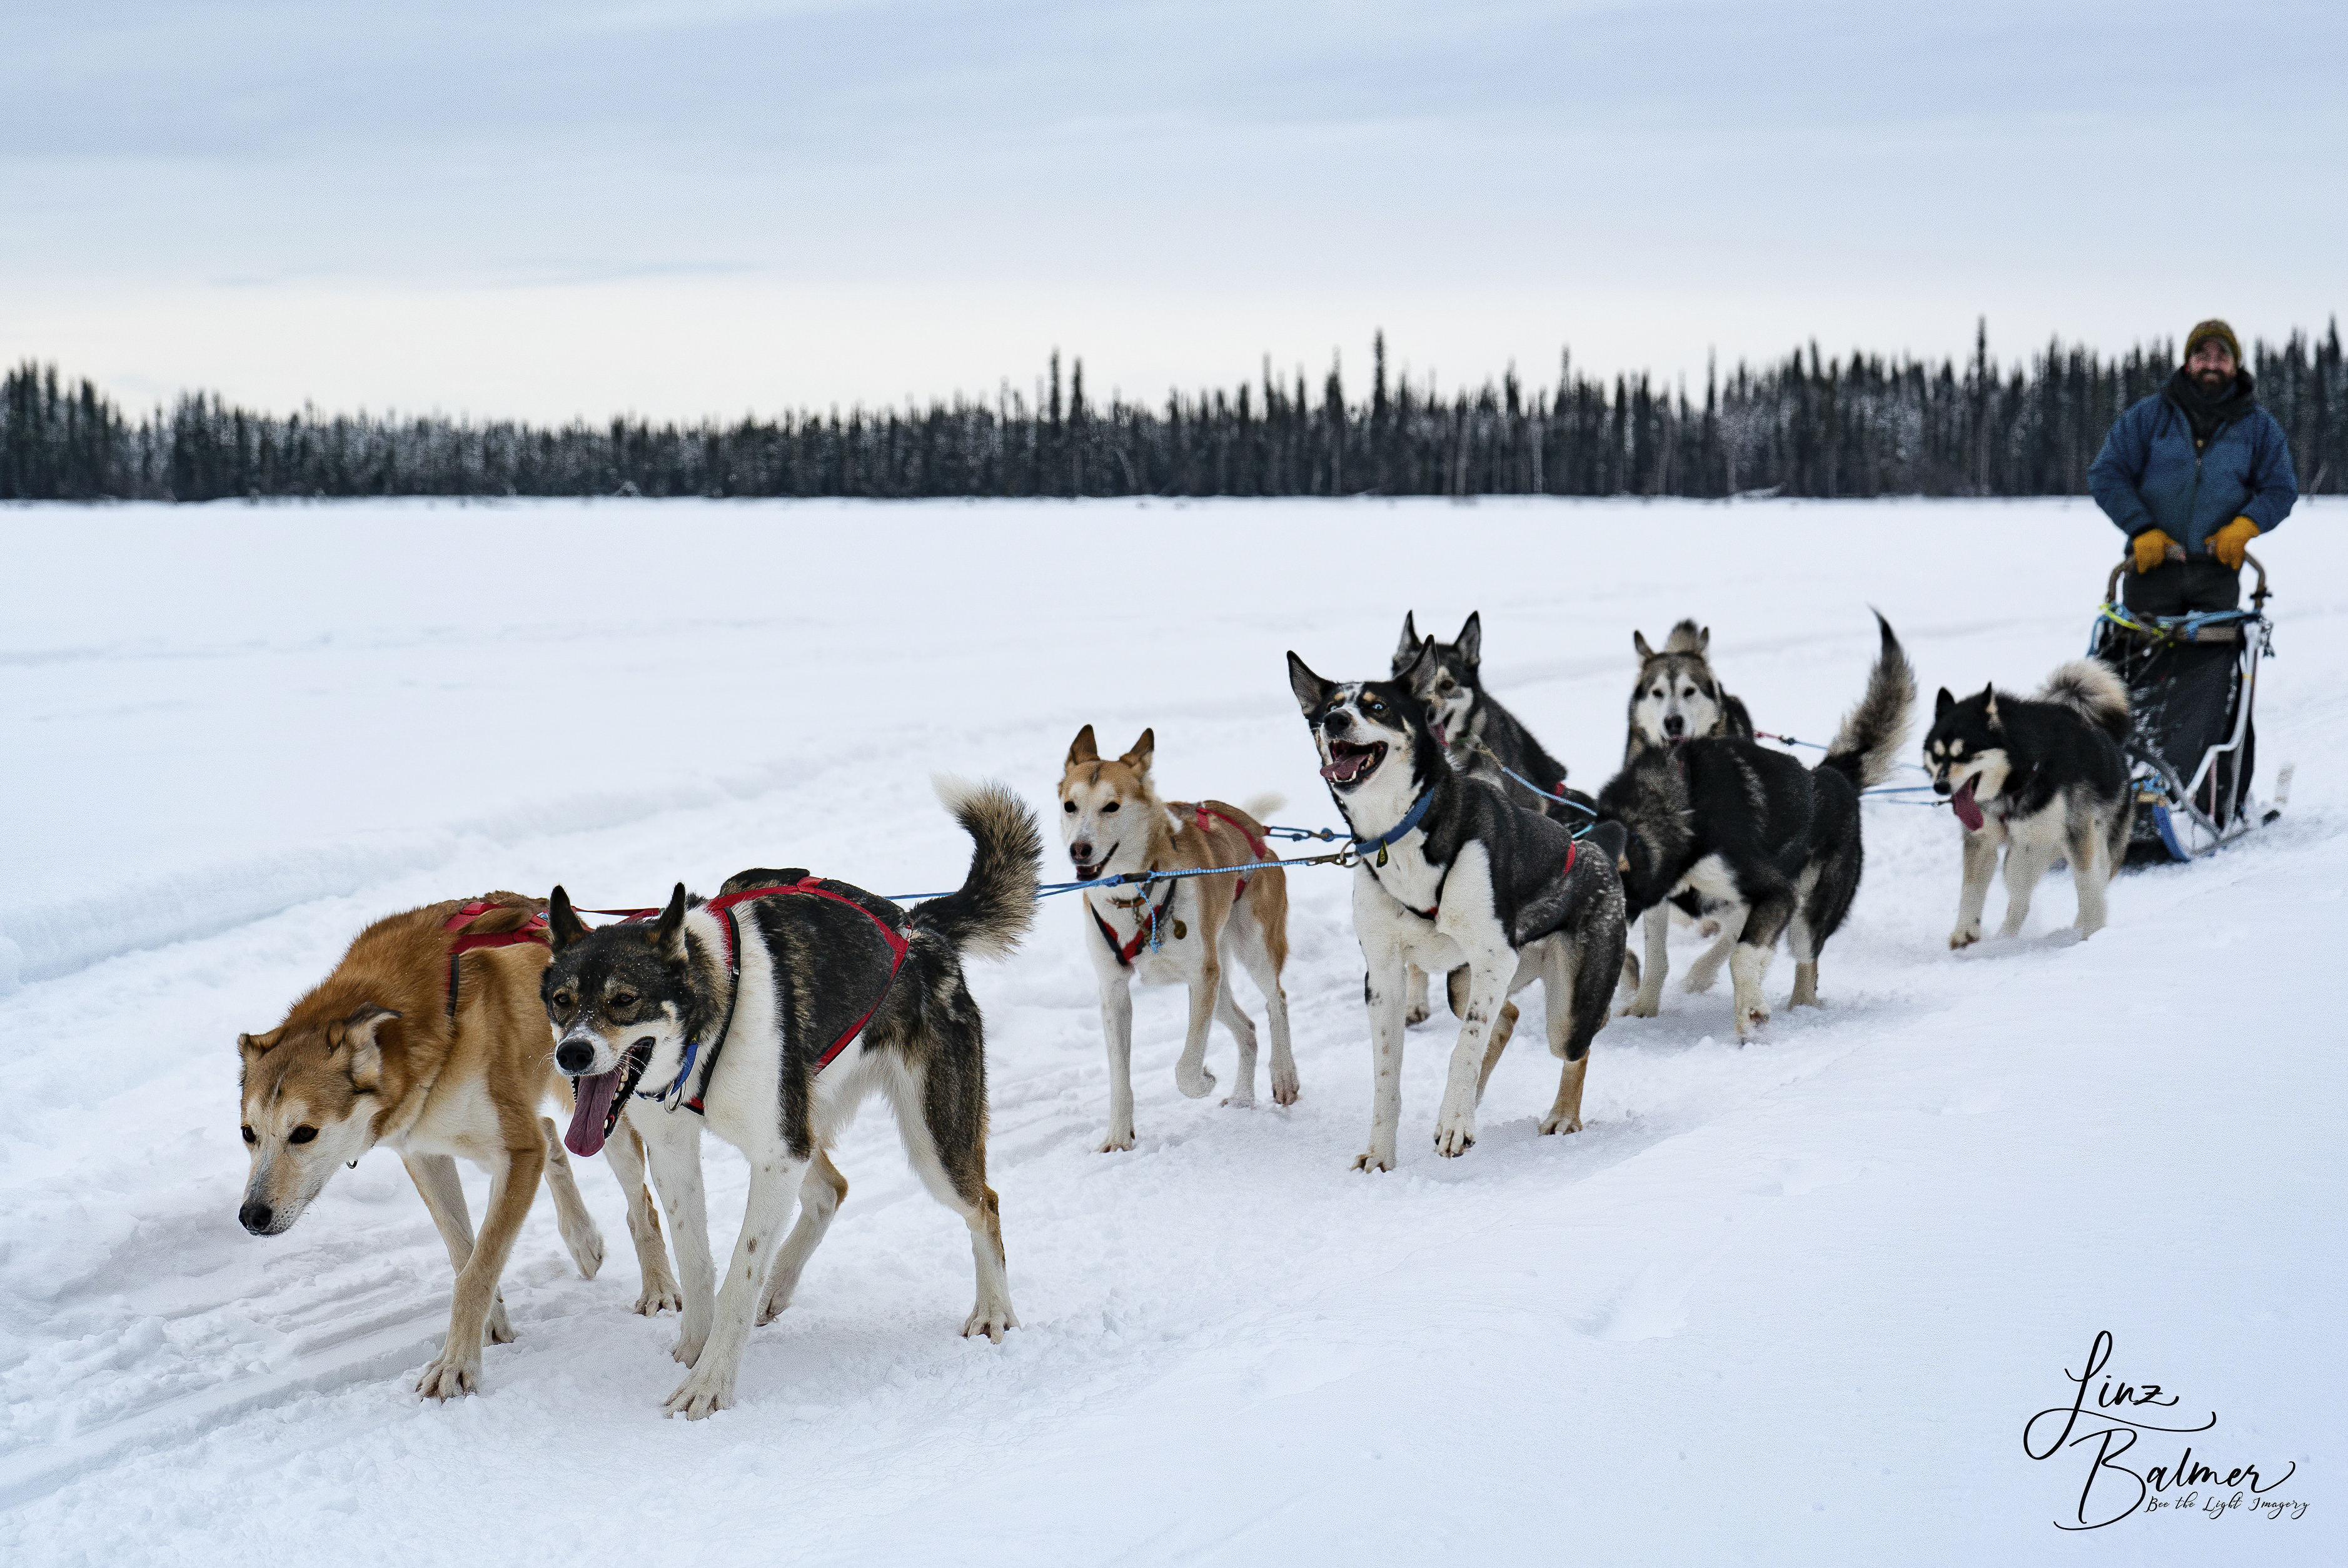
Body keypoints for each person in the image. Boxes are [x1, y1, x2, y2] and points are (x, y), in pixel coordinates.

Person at [2087, 319, 2297, 615]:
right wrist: (2141, 528)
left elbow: (2281, 488)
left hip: (2217, 571)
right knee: (2140, 659)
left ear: (2235, 366)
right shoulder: (2149, 416)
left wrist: (2244, 527)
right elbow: (2106, 473)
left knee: (2215, 658)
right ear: (2188, 364)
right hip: (2152, 567)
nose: (2212, 365)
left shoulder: (2259, 427)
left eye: (2222, 357)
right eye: (2202, 356)